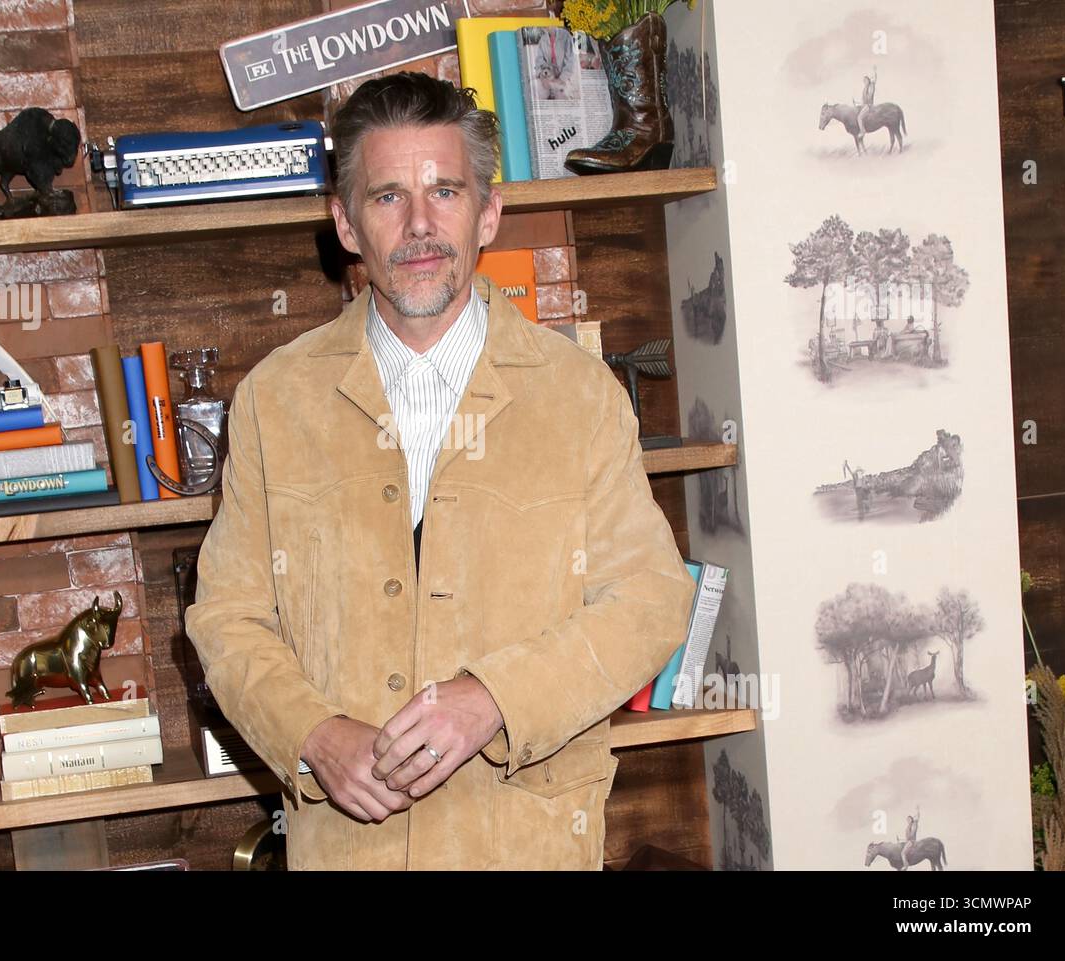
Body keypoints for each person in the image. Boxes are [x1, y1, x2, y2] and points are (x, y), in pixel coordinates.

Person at [184, 71, 696, 870]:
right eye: (388, 197)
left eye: (445, 191)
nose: (420, 225)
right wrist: (313, 737)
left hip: (527, 846)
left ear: (487, 212)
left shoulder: (579, 394)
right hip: (350, 849)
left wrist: (494, 700)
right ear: (346, 224)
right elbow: (225, 616)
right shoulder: (272, 402)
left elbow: (651, 601)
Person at [857, 67, 877, 143]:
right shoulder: (865, 88)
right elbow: (863, 99)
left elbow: (869, 97)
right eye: (864, 81)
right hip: (865, 105)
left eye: (865, 80)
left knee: (859, 117)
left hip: (869, 106)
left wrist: (875, 72)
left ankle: (862, 131)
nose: (864, 82)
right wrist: (858, 104)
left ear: (868, 80)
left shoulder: (871, 86)